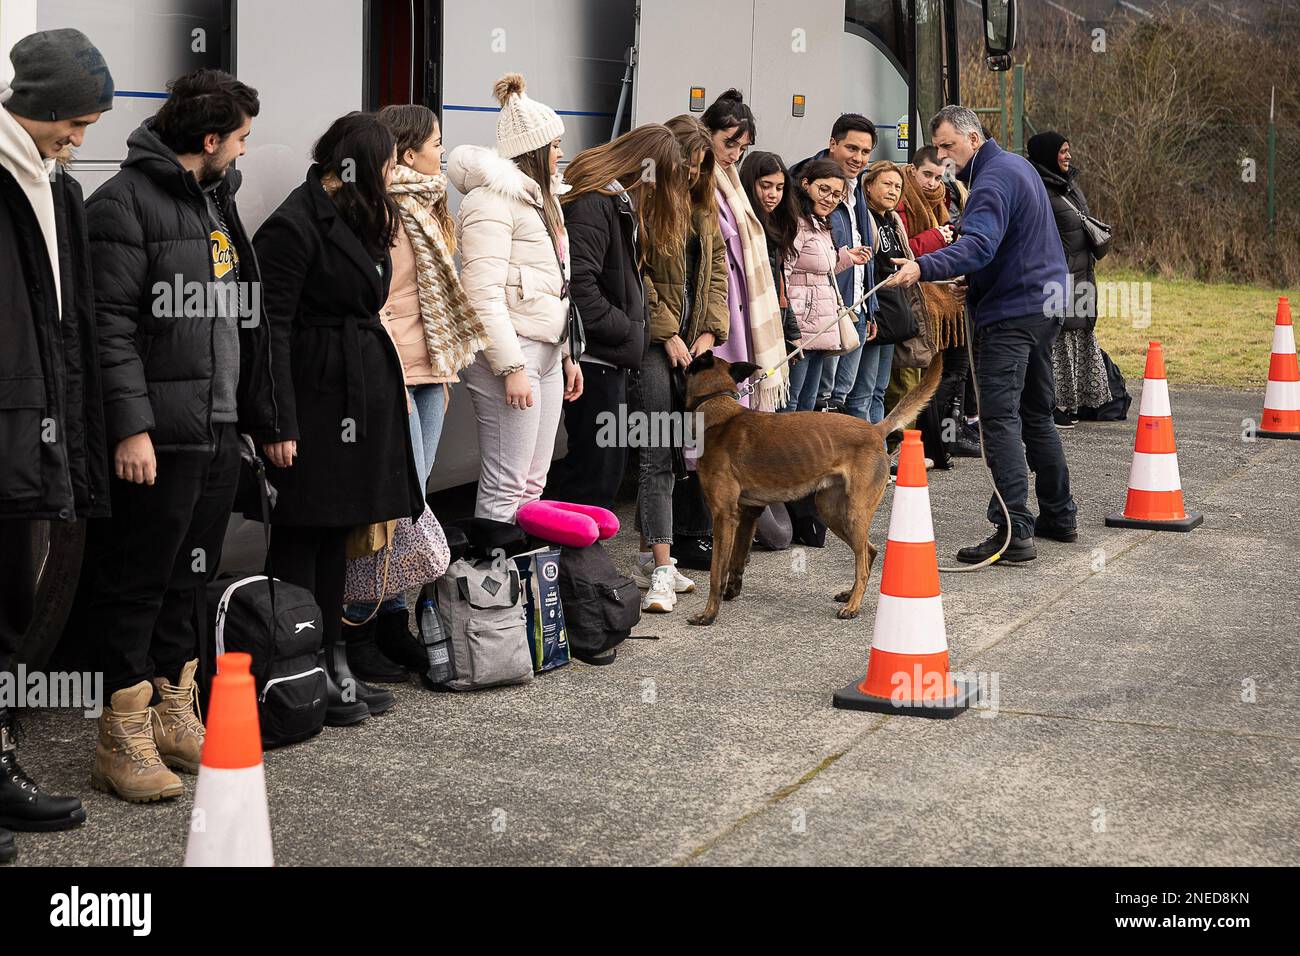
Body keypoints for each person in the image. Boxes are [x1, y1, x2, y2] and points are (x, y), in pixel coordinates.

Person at [83, 68, 274, 802]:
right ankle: (119, 739)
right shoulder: (122, 208)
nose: (245, 153)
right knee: (135, 584)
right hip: (157, 438)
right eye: (242, 139)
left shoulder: (214, 205)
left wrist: (254, 419)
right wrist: (131, 427)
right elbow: (110, 331)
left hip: (216, 430)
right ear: (208, 139)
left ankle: (171, 715)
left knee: (189, 581)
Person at [253, 112, 425, 725]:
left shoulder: (362, 215)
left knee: (339, 533)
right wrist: (276, 423)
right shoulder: (294, 224)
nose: (392, 170)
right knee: (304, 533)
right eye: (386, 160)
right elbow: (267, 327)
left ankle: (333, 660)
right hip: (314, 394)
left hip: (357, 391)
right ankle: (293, 667)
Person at [0, 27, 112, 857]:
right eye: (71, 120)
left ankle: (1, 764)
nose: (80, 135)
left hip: (28, 433)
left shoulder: (53, 188)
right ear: (34, 108)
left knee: (10, 610)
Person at [888, 106, 1077, 563]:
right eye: (937, 148)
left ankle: (1013, 531)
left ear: (973, 139)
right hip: (1043, 305)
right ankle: (1059, 514)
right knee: (1035, 414)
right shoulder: (1017, 165)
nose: (943, 156)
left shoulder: (990, 180)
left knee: (999, 420)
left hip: (1010, 316)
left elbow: (980, 244)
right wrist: (982, 277)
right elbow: (1018, 243)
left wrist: (922, 267)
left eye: (949, 146)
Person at [342, 104, 490, 679]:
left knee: (415, 505)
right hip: (397, 374)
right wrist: (393, 383)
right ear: (405, 153)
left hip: (430, 373)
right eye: (435, 143)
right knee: (391, 509)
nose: (443, 153)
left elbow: (433, 307)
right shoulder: (383, 213)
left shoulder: (426, 208)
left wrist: (441, 374)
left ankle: (392, 620)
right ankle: (358, 623)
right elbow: (375, 306)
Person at [448, 74, 582, 525]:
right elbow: (481, 296)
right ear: (534, 150)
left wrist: (566, 355)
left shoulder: (542, 199)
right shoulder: (490, 203)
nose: (561, 154)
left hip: (543, 351)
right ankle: (489, 587)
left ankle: (522, 581)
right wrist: (511, 368)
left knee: (532, 483)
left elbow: (557, 285)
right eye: (555, 146)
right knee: (507, 483)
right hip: (514, 355)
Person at [544, 123, 689, 512]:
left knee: (603, 470)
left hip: (606, 359)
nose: (661, 189)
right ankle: (574, 560)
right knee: (593, 473)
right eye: (665, 178)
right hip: (594, 360)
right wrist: (630, 330)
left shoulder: (614, 202)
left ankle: (583, 557)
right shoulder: (595, 203)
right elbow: (580, 289)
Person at [636, 115, 728, 613]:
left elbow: (717, 274)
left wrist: (711, 330)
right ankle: (661, 570)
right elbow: (639, 275)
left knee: (682, 453)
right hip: (655, 344)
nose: (694, 176)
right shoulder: (646, 204)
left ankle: (662, 558)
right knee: (656, 451)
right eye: (688, 167)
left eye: (700, 168)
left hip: (695, 345)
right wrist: (667, 331)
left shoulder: (704, 206)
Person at [791, 114, 886, 420]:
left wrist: (869, 306)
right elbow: (787, 265)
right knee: (809, 401)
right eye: (852, 148)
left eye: (865, 152)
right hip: (809, 316)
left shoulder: (857, 186)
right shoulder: (804, 182)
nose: (858, 158)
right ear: (832, 144)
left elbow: (856, 250)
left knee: (835, 397)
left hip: (848, 308)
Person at [700, 90, 789, 413]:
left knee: (735, 393)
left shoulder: (730, 181)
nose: (735, 154)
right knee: (717, 394)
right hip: (717, 301)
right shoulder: (701, 180)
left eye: (742, 147)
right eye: (729, 143)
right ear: (705, 133)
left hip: (735, 301)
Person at [898, 146, 980, 459]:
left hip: (949, 297)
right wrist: (940, 237)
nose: (934, 182)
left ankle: (947, 437)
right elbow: (908, 249)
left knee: (956, 372)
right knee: (924, 377)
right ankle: (925, 442)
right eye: (928, 175)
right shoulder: (903, 199)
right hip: (922, 301)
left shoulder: (945, 198)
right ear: (913, 170)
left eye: (940, 176)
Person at [1027, 131, 1111, 427]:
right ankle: (1055, 404)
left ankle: (1078, 400)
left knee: (1078, 334)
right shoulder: (1038, 189)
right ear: (1049, 154)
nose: (1068, 156)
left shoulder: (1068, 185)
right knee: (1059, 340)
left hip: (1081, 275)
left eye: (1068, 150)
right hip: (1058, 280)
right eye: (1063, 151)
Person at [783, 159, 870, 411]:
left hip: (820, 324)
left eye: (836, 195)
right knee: (792, 401)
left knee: (809, 402)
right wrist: (788, 324)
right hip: (801, 323)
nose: (830, 199)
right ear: (806, 184)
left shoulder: (819, 223)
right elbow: (784, 273)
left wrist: (845, 258)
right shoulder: (797, 224)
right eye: (824, 190)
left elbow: (819, 267)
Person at [740, 151, 802, 361]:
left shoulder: (778, 222)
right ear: (750, 184)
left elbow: (780, 282)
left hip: (776, 316)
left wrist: (792, 333)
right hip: (749, 320)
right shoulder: (743, 223)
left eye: (779, 187)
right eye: (765, 186)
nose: (773, 194)